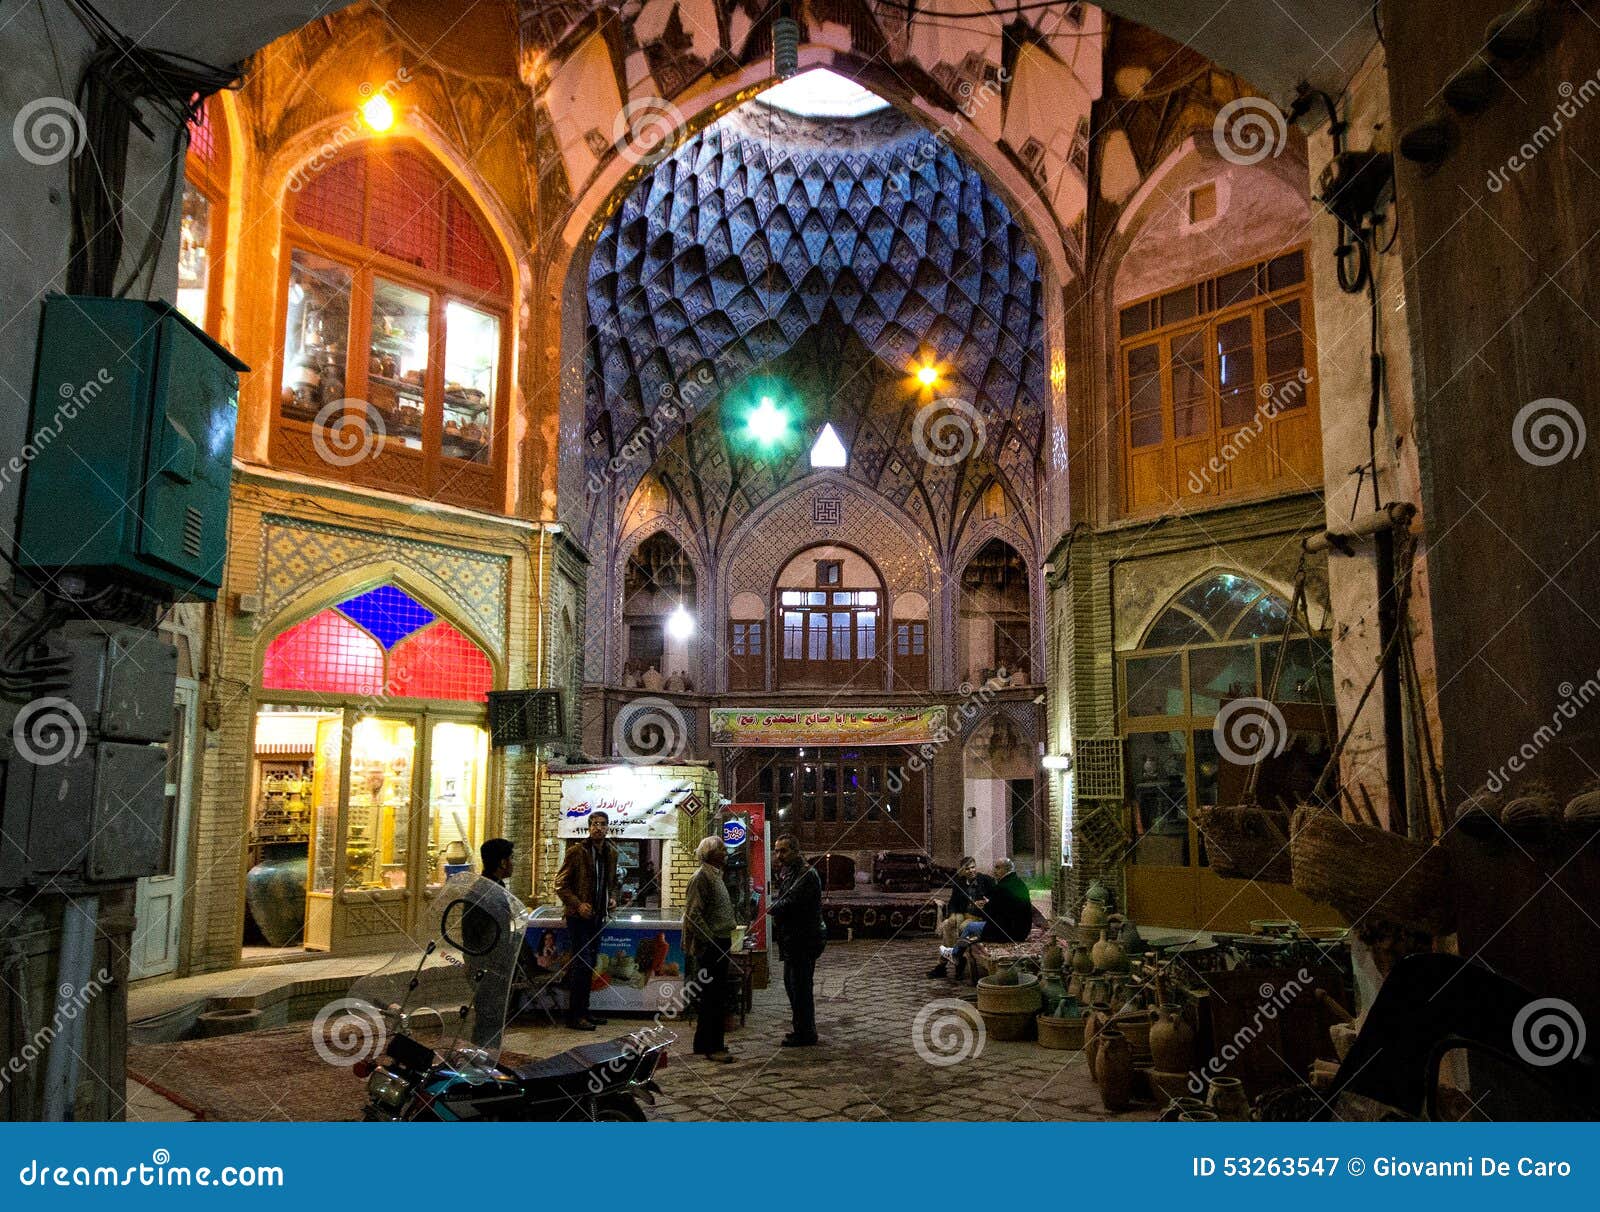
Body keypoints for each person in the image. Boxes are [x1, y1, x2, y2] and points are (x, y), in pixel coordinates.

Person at [554, 812, 618, 1031]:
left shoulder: (611, 853)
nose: (598, 828)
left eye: (602, 824)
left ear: (608, 828)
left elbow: (612, 882)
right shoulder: (576, 852)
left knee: (590, 965)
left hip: (598, 917)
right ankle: (575, 1016)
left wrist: (612, 897)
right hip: (578, 918)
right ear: (588, 828)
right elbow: (560, 885)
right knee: (581, 965)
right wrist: (578, 904)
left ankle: (585, 1011)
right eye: (594, 824)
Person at [682, 835, 737, 1063]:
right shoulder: (702, 877)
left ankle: (707, 1042)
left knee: (716, 995)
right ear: (710, 854)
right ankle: (711, 1047)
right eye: (721, 849)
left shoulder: (715, 875)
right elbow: (694, 914)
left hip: (720, 941)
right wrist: (711, 939)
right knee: (712, 997)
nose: (725, 852)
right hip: (712, 945)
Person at [462, 838, 520, 1049]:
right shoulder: (490, 894)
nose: (514, 863)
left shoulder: (484, 888)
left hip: (482, 962)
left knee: (489, 1015)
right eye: (512, 858)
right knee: (489, 1016)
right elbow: (495, 937)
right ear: (503, 863)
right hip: (488, 965)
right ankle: (483, 1060)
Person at [767, 834, 824, 1047]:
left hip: (803, 940)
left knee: (800, 988)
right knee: (793, 988)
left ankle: (806, 1034)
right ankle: (800, 1029)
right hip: (792, 940)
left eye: (783, 851)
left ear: (795, 851)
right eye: (776, 850)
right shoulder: (790, 872)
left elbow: (792, 902)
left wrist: (771, 907)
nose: (778, 855)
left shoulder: (805, 874)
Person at [945, 856, 1034, 973]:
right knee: (955, 926)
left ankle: (956, 954)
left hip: (1009, 931)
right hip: (1020, 930)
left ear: (1005, 869)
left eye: (997, 868)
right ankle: (955, 955)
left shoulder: (999, 886)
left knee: (970, 928)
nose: (994, 871)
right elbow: (1004, 907)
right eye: (967, 869)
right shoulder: (1018, 882)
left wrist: (984, 906)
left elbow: (991, 914)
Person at [927, 855, 992, 979]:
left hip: (978, 917)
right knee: (948, 925)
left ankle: (942, 966)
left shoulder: (986, 880)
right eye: (967, 869)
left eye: (973, 867)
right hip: (963, 913)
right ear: (962, 870)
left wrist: (987, 903)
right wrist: (952, 914)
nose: (971, 871)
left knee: (962, 927)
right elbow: (953, 903)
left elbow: (996, 899)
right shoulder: (959, 883)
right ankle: (958, 960)